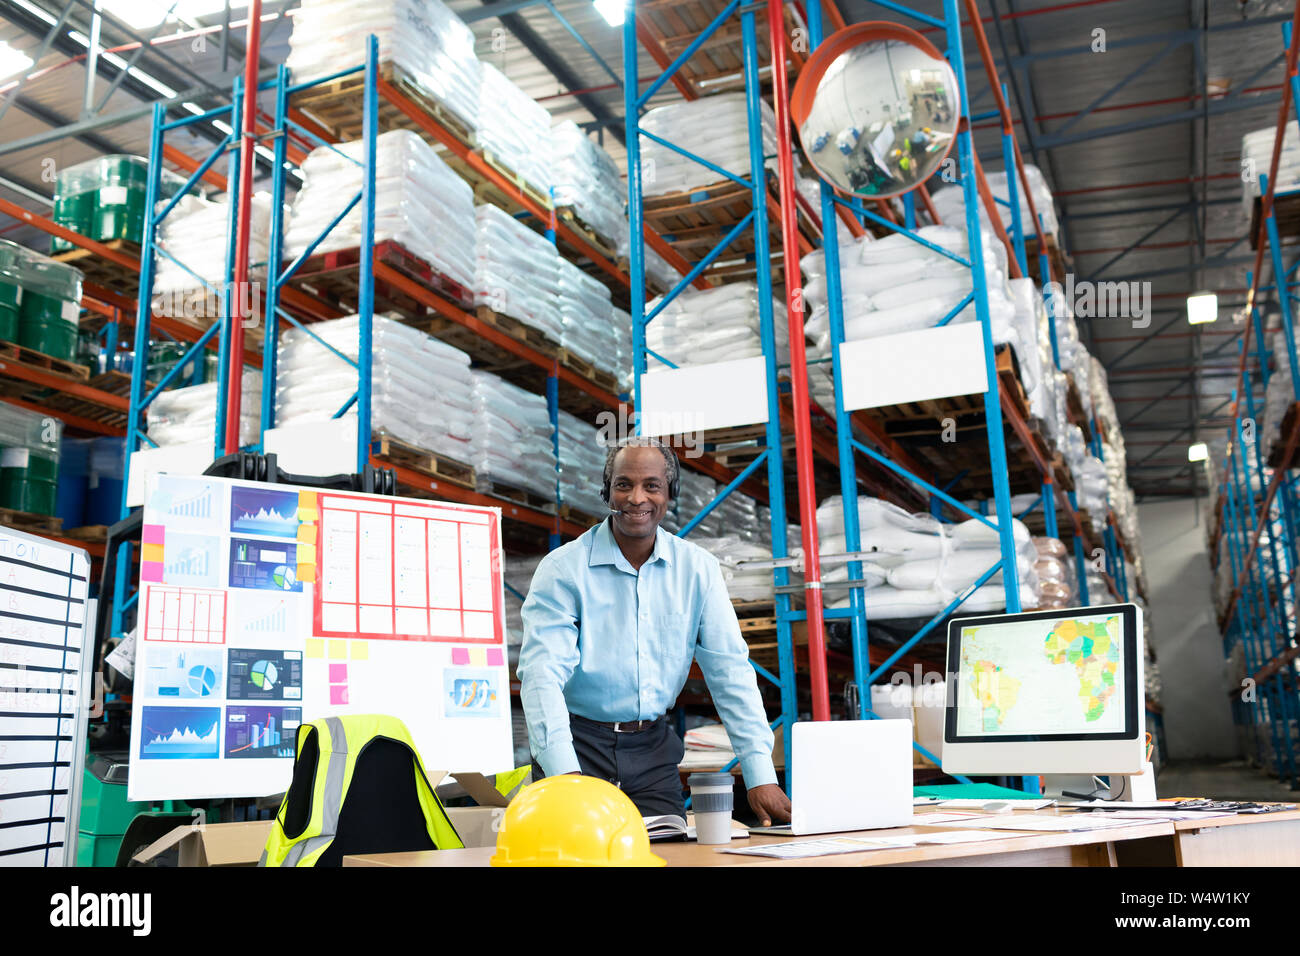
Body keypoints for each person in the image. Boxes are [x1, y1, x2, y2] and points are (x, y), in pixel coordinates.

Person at [517, 436, 792, 826]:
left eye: (652, 485)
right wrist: (564, 773)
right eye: (623, 484)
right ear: (606, 491)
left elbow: (730, 672)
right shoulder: (563, 569)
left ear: (670, 493)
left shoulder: (698, 570)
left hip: (652, 753)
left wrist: (759, 774)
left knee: (665, 855)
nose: (636, 497)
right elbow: (542, 674)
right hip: (578, 746)